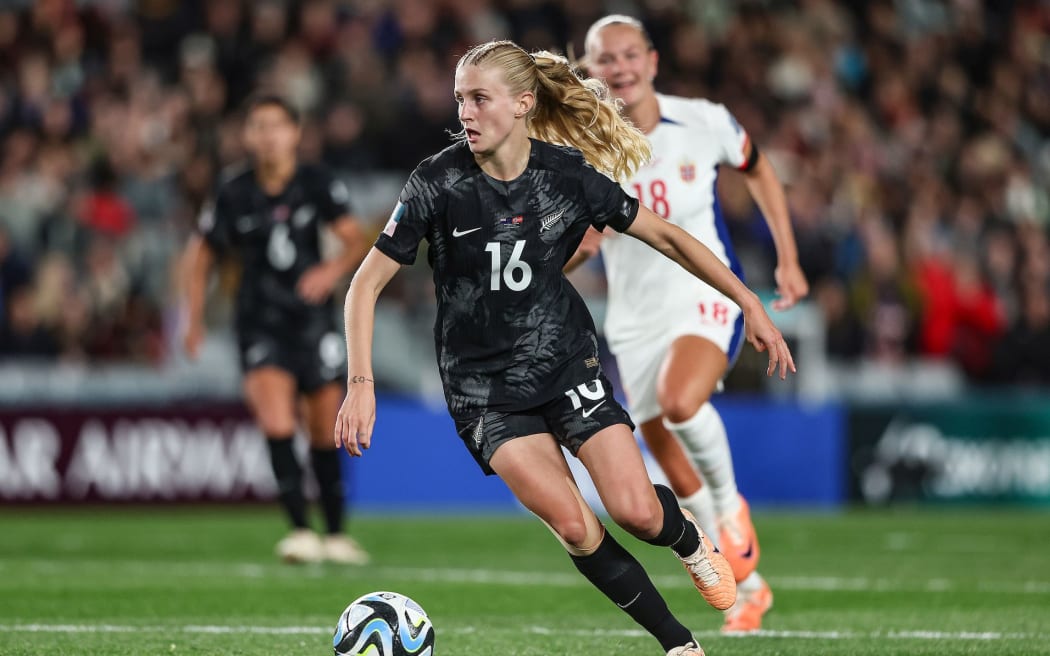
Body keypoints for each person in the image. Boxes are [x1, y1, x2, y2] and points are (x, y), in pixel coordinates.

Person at [334, 40, 795, 656]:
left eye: (479, 98)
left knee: (635, 511)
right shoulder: (437, 182)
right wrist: (359, 384)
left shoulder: (566, 176)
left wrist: (749, 300)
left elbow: (670, 238)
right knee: (577, 526)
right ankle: (680, 646)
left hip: (565, 363)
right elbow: (364, 285)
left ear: (523, 104)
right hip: (483, 390)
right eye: (459, 100)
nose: (465, 113)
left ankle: (686, 539)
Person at [577, 15, 811, 633]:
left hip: (706, 298)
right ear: (588, 68)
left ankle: (733, 511)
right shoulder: (584, 147)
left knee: (683, 403)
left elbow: (758, 167)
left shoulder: (703, 120)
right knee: (674, 473)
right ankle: (749, 586)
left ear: (653, 61)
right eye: (605, 59)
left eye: (630, 55)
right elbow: (585, 239)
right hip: (632, 320)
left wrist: (787, 257)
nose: (619, 68)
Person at [182, 94, 369, 565]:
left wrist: (329, 272)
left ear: (295, 133)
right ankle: (301, 530)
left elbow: (355, 240)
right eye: (258, 126)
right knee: (277, 422)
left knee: (324, 432)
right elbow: (201, 253)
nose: (267, 136)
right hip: (260, 320)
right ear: (247, 136)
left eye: (276, 126)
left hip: (313, 321)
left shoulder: (317, 182)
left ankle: (337, 534)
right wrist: (194, 318)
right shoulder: (233, 190)